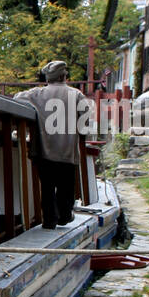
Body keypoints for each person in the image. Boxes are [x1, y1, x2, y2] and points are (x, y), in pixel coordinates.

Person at [14, 61, 90, 229]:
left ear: (48, 77)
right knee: (66, 189)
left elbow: (16, 98)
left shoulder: (36, 94)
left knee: (47, 189)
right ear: (64, 76)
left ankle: (49, 221)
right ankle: (64, 216)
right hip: (68, 152)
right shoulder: (76, 95)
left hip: (44, 151)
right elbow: (85, 126)